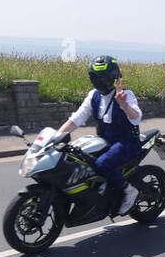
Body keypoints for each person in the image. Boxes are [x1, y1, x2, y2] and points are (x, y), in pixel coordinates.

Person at [54, 55, 144, 216]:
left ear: (113, 77)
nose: (99, 81)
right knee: (78, 158)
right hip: (104, 140)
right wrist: (57, 137)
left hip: (127, 142)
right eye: (95, 77)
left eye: (102, 77)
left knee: (102, 164)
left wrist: (124, 105)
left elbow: (136, 117)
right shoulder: (93, 95)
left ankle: (129, 190)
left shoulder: (125, 94)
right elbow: (76, 119)